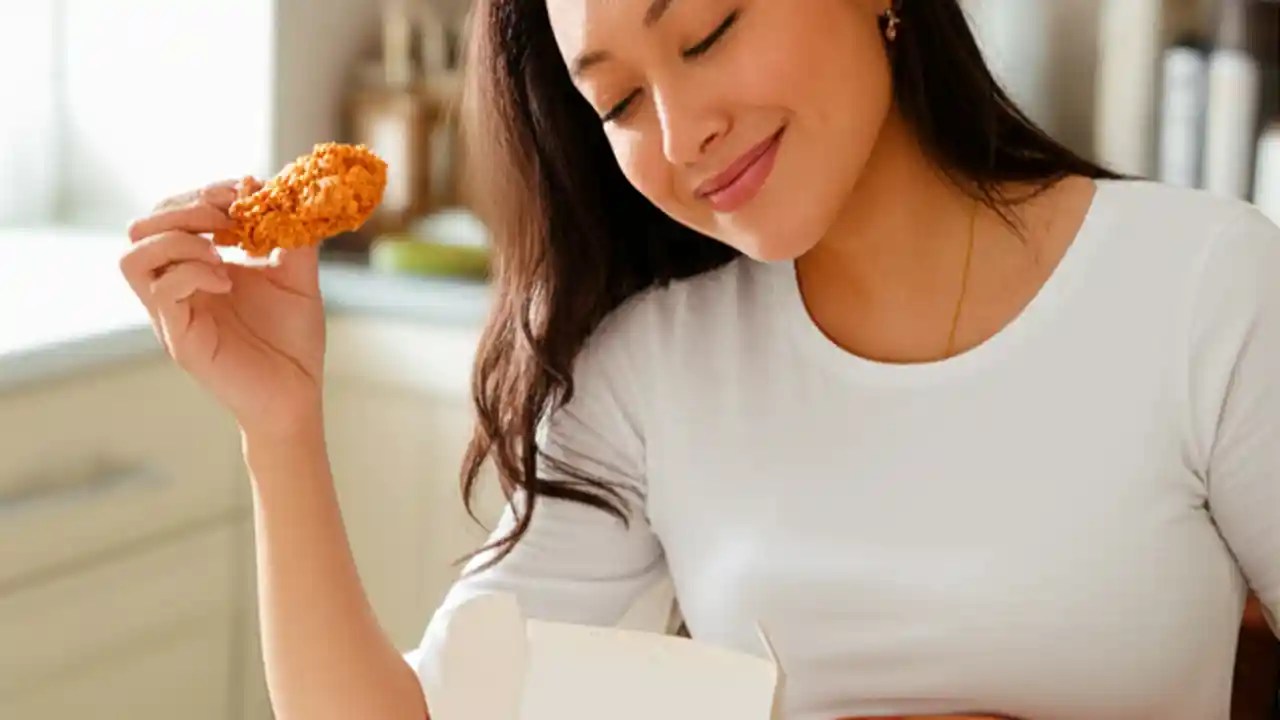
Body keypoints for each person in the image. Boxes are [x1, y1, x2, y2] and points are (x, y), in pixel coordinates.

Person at [120, 0, 1279, 718]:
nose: (680, 136)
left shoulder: (1196, 287)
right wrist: (278, 429)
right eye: (617, 100)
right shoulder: (646, 375)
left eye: (709, 30)